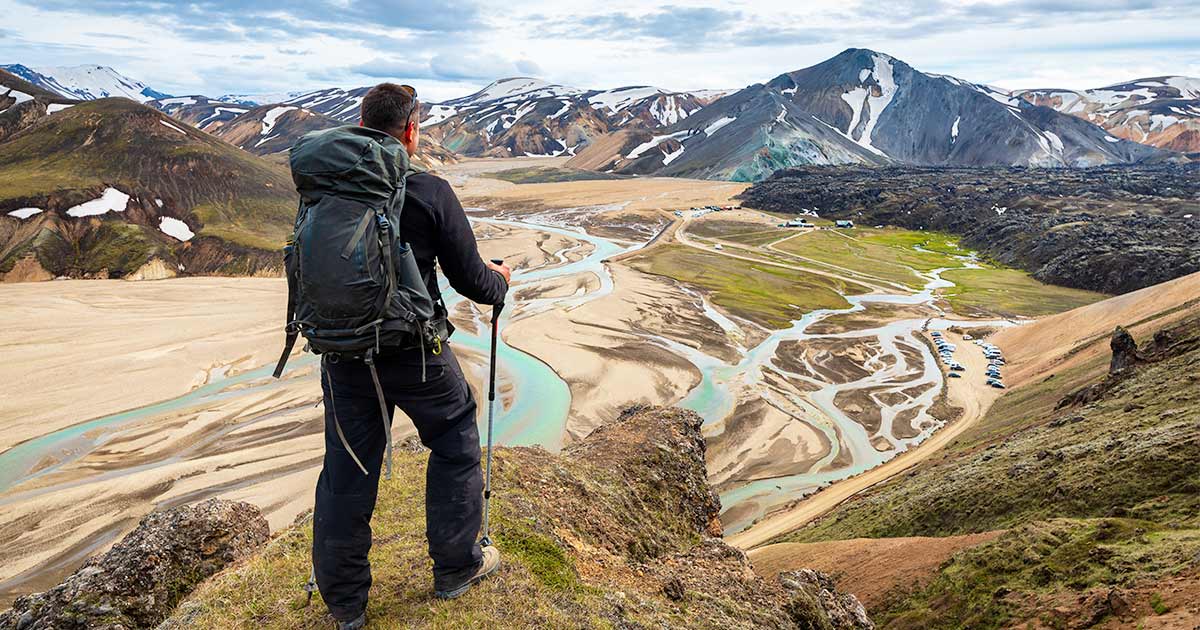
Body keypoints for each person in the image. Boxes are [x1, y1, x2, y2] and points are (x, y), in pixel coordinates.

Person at [309, 83, 511, 630]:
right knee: (454, 441)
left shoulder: (322, 190)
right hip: (415, 352)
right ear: (410, 131)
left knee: (347, 473)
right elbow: (473, 280)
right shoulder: (428, 190)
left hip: (345, 354)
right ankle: (456, 568)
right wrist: (502, 281)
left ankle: (345, 605)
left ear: (359, 123)